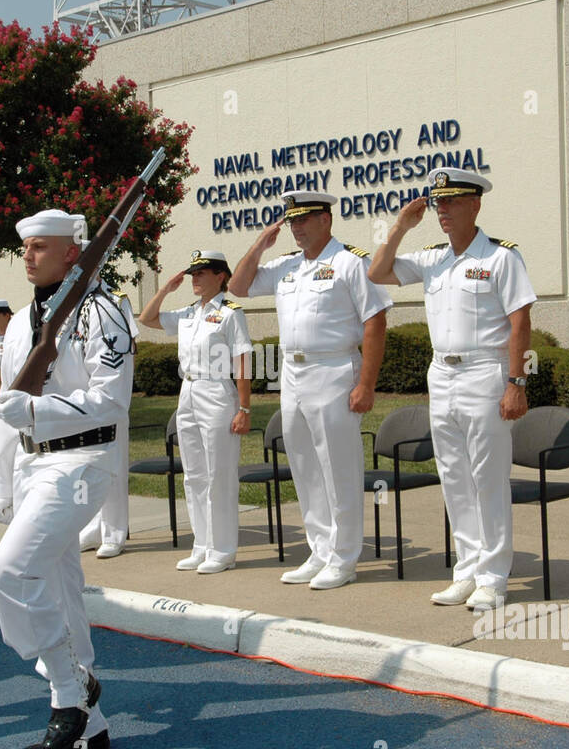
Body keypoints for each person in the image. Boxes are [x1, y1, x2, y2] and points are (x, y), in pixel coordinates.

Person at [0, 208, 133, 749]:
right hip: (33, 466)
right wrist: (3, 483)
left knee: (10, 573)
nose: (28, 255)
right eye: (26, 248)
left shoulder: (102, 312)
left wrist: (40, 410)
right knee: (62, 591)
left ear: (73, 252)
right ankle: (89, 724)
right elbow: (9, 407)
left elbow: (112, 400)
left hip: (81, 463)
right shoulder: (24, 321)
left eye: (40, 247)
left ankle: (70, 690)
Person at [367, 169, 536, 611]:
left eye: (452, 202)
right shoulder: (432, 259)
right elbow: (378, 271)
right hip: (441, 374)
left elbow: (521, 322)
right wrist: (402, 226)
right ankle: (467, 570)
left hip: (485, 372)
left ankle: (494, 576)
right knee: (455, 477)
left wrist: (516, 383)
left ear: (475, 204)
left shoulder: (501, 258)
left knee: (487, 477)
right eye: (437, 203)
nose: (442, 210)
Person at [227, 191, 392, 590]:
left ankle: (344, 555)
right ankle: (319, 550)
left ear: (325, 220)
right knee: (304, 466)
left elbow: (376, 321)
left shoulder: (350, 262)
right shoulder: (287, 267)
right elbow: (237, 286)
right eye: (291, 221)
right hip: (293, 374)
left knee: (339, 467)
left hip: (334, 370)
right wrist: (258, 246)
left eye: (304, 219)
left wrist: (366, 384)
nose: (296, 227)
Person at [139, 250, 252, 573]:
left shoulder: (230, 313)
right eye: (192, 273)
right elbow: (147, 319)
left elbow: (242, 359)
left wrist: (244, 407)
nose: (194, 279)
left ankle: (223, 550)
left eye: (202, 273)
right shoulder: (188, 313)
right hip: (187, 391)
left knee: (220, 474)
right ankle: (201, 545)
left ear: (220, 276)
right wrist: (164, 290)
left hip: (217, 391)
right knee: (194, 476)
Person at [77, 283, 137, 559]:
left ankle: (114, 531)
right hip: (80, 397)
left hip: (108, 397)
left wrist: (116, 401)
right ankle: (92, 526)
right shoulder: (70, 302)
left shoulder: (115, 300)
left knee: (112, 466)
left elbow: (124, 350)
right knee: (86, 468)